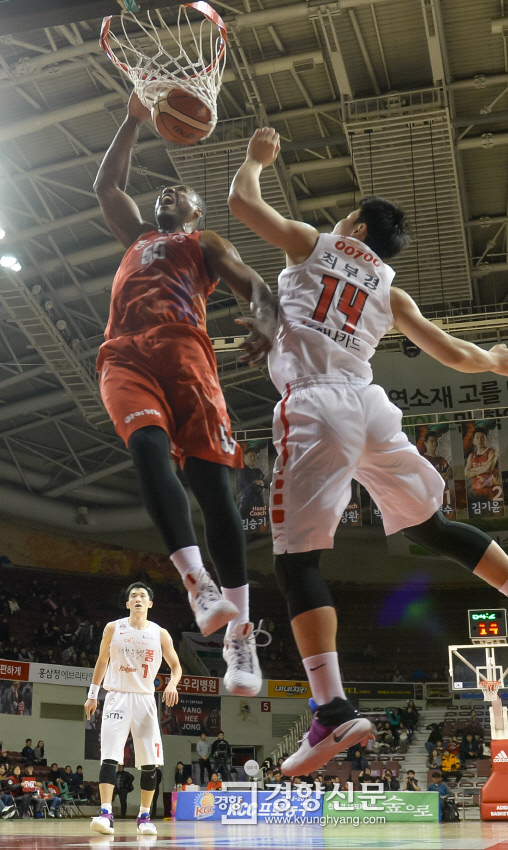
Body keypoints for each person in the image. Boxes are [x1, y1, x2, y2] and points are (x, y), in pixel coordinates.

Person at [227, 125, 508, 775]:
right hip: (368, 406)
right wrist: (494, 362)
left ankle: (332, 709)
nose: (339, 220)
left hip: (315, 405)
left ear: (357, 229)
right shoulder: (390, 292)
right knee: (431, 524)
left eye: (347, 216)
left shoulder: (314, 243)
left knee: (296, 561)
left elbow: (243, 206)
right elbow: (450, 351)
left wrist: (253, 163)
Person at [93, 92, 277, 698]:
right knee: (146, 446)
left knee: (213, 487)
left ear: (195, 212)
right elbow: (106, 185)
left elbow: (256, 287)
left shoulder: (205, 245)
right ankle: (198, 582)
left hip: (188, 355)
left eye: (179, 193)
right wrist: (132, 120)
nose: (167, 194)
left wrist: (267, 320)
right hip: (126, 354)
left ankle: (240, 632)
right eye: (162, 192)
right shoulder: (136, 236)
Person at [84, 582, 182, 837]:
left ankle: (144, 816)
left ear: (150, 603)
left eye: (143, 596)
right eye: (133, 596)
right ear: (128, 603)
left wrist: (172, 683)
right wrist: (92, 695)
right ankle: (106, 814)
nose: (138, 599)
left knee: (150, 763)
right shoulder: (113, 628)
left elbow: (176, 665)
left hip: (145, 699)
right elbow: (102, 661)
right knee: (109, 757)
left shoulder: (160, 633)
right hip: (116, 696)